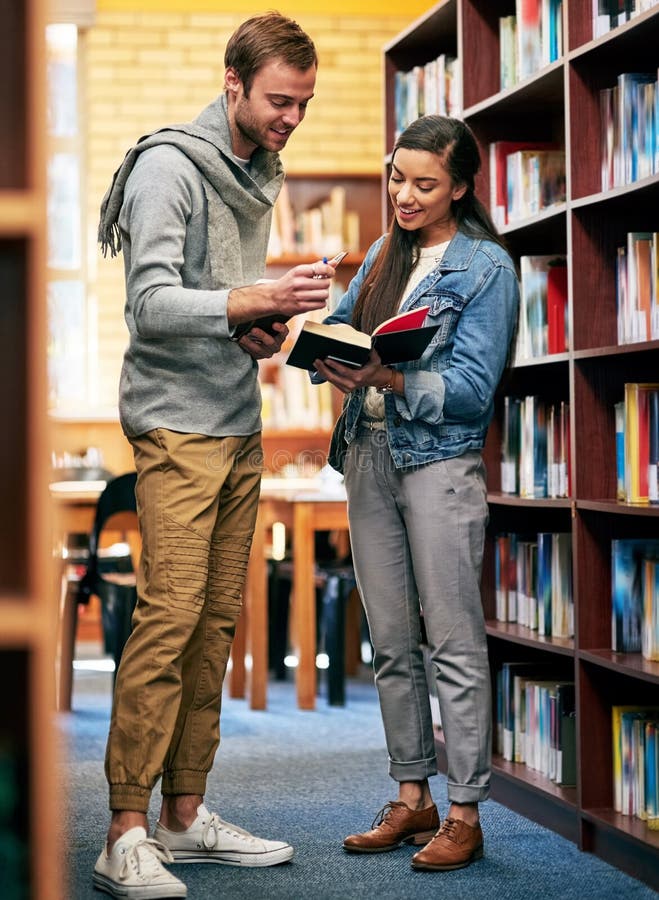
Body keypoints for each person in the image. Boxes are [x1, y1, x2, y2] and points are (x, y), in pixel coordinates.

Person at [93, 13, 338, 899]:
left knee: (215, 625)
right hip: (175, 425)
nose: (291, 119)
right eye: (278, 101)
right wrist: (251, 300)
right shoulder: (168, 167)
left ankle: (184, 814)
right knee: (169, 618)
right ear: (232, 84)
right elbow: (152, 304)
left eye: (303, 103)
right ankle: (123, 830)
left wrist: (259, 328)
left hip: (236, 423)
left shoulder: (257, 169)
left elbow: (216, 304)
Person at [312, 115, 520, 872]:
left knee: (453, 643)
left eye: (424, 184)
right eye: (397, 178)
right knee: (391, 644)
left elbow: (471, 390)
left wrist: (391, 378)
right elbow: (341, 330)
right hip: (367, 456)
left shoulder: (486, 268)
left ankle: (464, 812)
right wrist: (321, 346)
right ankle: (411, 797)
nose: (404, 195)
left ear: (459, 188)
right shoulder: (381, 254)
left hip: (439, 465)